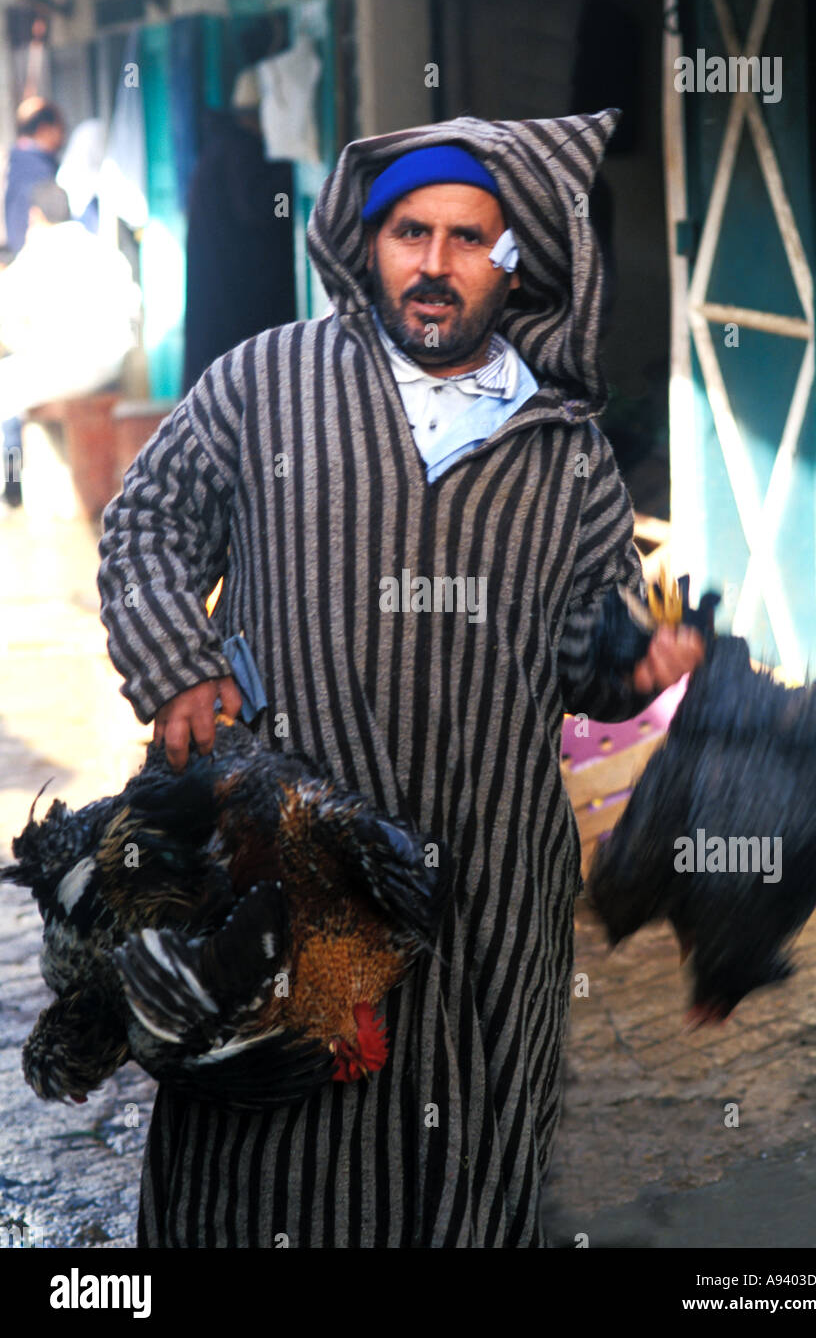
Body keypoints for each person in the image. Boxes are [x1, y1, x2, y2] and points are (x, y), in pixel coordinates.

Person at [97, 110, 704, 1248]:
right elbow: (148, 527)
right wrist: (175, 666)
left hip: (491, 888)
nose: (434, 264)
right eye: (409, 232)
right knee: (267, 1149)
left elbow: (587, 650)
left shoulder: (562, 446)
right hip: (290, 864)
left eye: (468, 238)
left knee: (467, 1160)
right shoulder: (266, 383)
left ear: (514, 256)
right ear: (365, 246)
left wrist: (635, 657)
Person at [0, 181, 139, 507]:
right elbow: (133, 305)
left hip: (62, 370)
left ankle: (12, 487)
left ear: (35, 216)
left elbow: (7, 323)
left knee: (5, 389)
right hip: (113, 365)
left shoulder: (34, 255)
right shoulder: (102, 248)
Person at [181, 67, 295, 395]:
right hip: (231, 294)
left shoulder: (221, 146)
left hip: (220, 289)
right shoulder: (239, 150)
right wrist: (290, 174)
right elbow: (259, 208)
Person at [3, 97, 66, 256]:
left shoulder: (16, 162)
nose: (62, 136)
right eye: (60, 129)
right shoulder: (38, 168)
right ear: (43, 129)